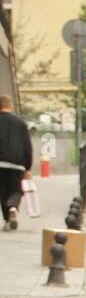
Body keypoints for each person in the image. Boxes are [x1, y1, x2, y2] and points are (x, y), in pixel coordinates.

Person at [0, 94, 34, 231]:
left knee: (2, 191)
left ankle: (8, 220)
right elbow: (27, 146)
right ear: (10, 105)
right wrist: (28, 167)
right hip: (17, 163)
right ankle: (13, 207)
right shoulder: (21, 123)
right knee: (15, 190)